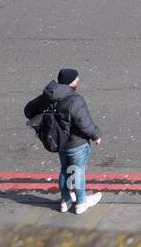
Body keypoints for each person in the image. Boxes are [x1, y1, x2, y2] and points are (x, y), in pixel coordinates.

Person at [23, 67, 102, 215]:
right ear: (71, 82)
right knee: (78, 172)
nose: (78, 80)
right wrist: (96, 135)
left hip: (59, 142)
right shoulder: (75, 100)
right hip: (76, 143)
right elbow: (84, 123)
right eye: (76, 78)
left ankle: (65, 201)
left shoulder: (49, 96)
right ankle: (81, 203)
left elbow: (28, 110)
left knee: (65, 171)